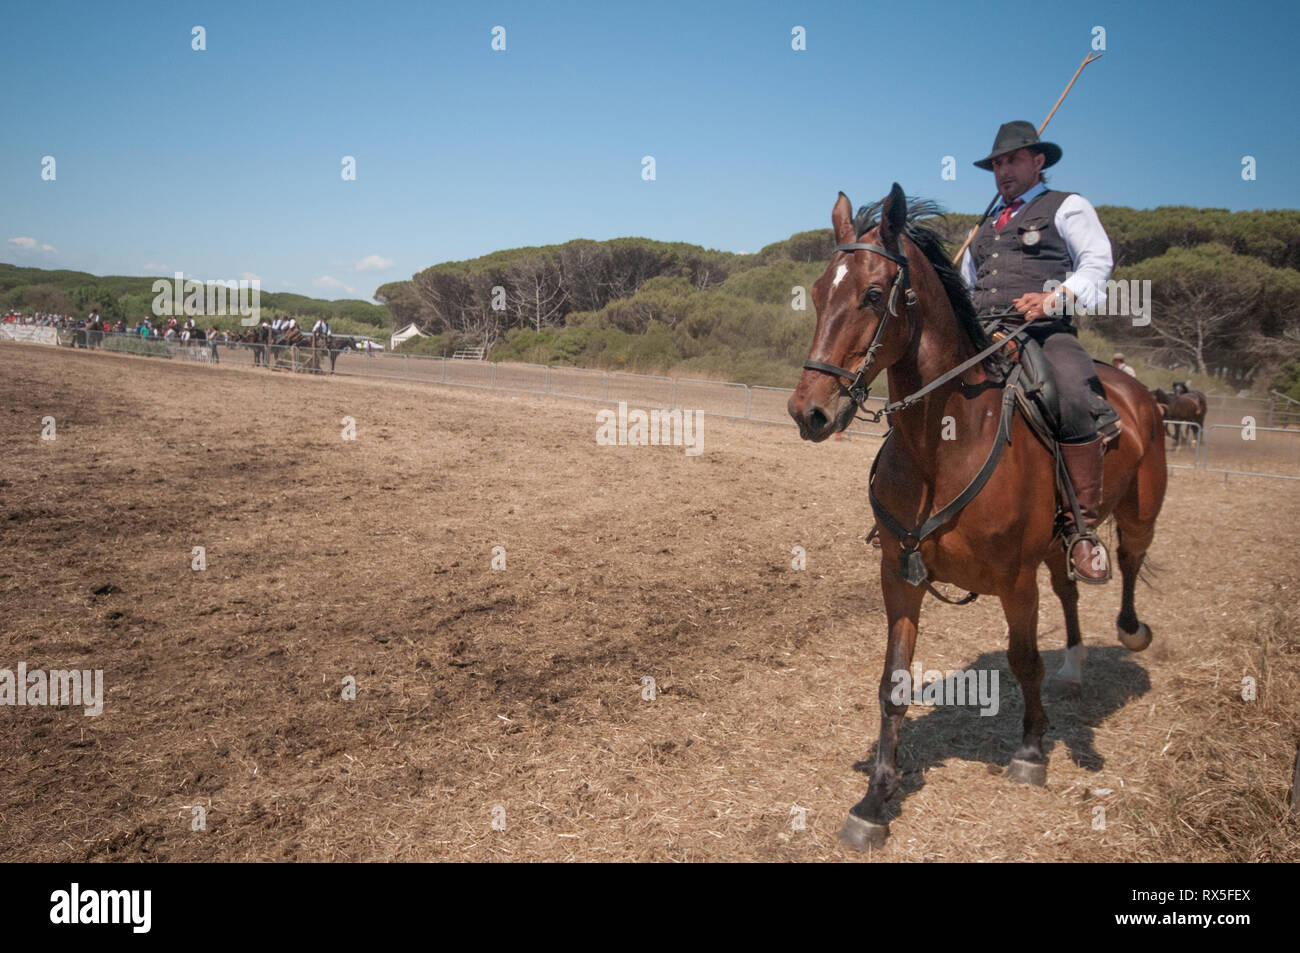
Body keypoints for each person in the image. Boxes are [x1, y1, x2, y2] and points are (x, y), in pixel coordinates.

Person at [960, 120, 1115, 583]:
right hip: (984, 333)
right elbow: (969, 285)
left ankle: (1080, 530)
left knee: (1068, 393)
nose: (1002, 170)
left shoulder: (1068, 206)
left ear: (1038, 161)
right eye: (996, 163)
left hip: (1045, 332)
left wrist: (1054, 298)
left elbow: (1098, 261)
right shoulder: (982, 228)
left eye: (1012, 160)